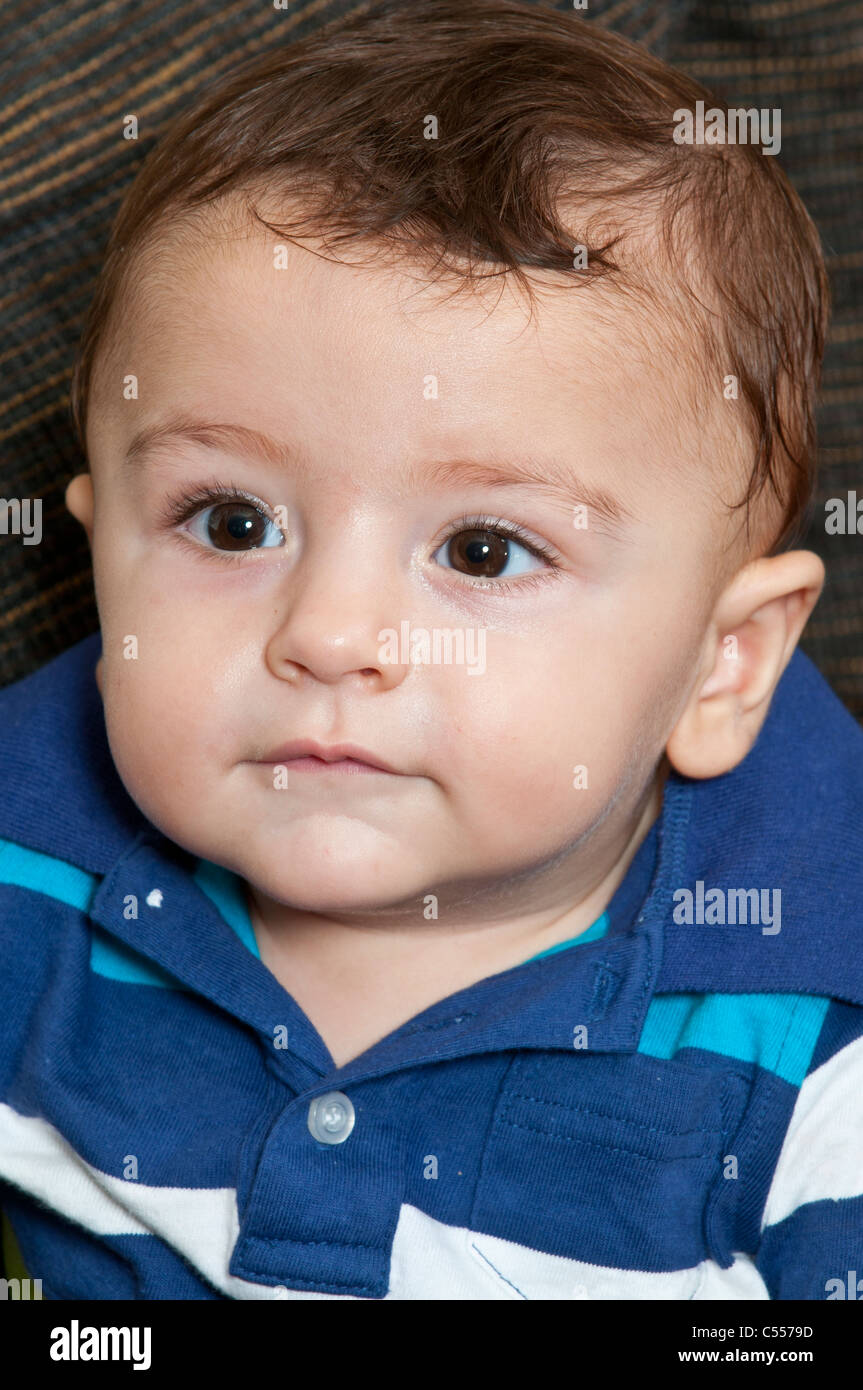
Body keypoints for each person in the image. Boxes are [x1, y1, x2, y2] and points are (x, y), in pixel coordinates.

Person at [1, 0, 860, 1300]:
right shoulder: (26, 869)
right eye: (232, 523)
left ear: (721, 663)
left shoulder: (814, 1041)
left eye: (482, 551)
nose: (334, 636)